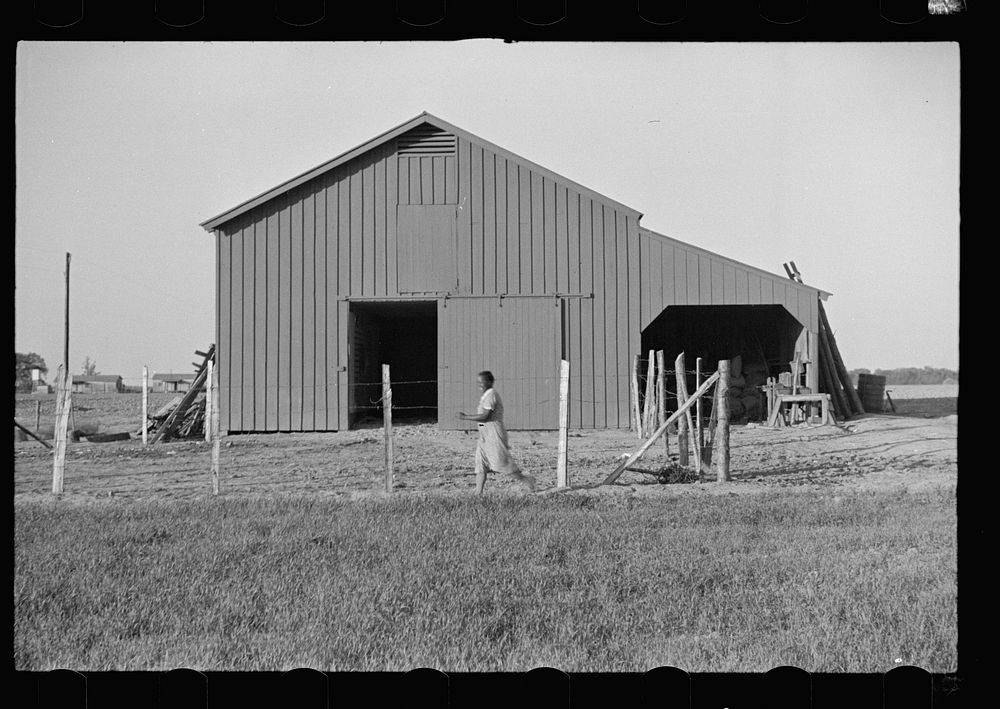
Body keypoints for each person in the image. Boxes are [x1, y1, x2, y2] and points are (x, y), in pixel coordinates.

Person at [457, 371, 536, 495]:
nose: (479, 384)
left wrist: (465, 417)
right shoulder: (485, 396)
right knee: (480, 463)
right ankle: (478, 492)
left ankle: (527, 481)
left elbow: (485, 416)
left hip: (494, 434)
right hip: (484, 434)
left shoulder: (491, 395)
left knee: (501, 463)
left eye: (481, 382)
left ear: (489, 382)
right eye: (478, 382)